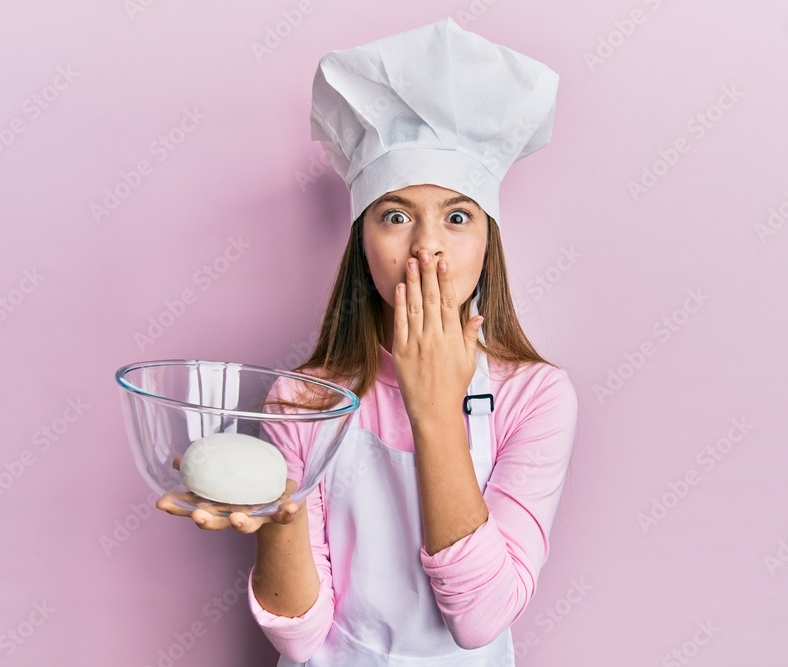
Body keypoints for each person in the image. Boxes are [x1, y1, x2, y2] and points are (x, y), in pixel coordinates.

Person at [157, 17, 579, 666]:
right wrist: (282, 512)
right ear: (363, 241)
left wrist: (435, 408)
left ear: (487, 241)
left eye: (457, 216)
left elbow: (480, 618)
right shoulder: (303, 397)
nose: (427, 244)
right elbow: (298, 634)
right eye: (396, 214)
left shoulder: (535, 396)